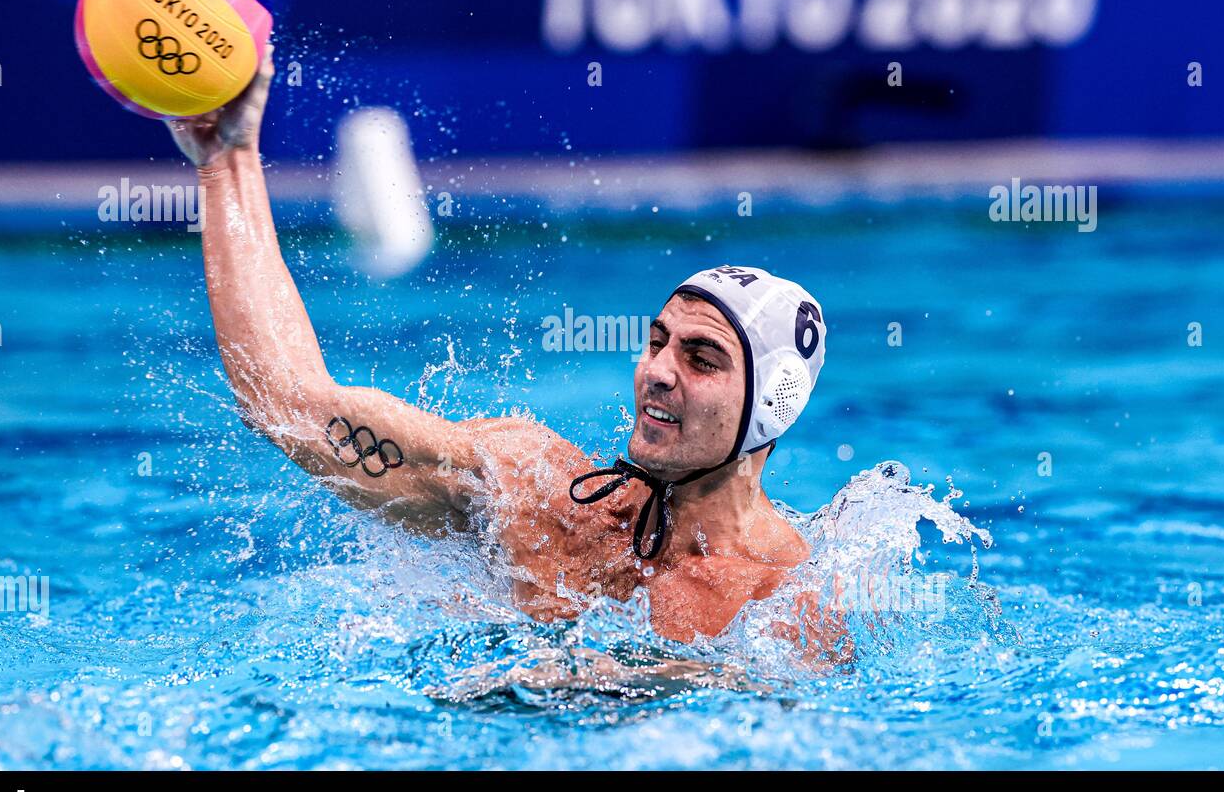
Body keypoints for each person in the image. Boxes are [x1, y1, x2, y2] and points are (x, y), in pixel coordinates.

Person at [168, 48, 850, 665]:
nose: (659, 372)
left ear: (770, 405)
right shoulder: (541, 494)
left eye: (702, 358)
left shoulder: (784, 604)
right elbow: (285, 401)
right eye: (656, 342)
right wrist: (226, 158)